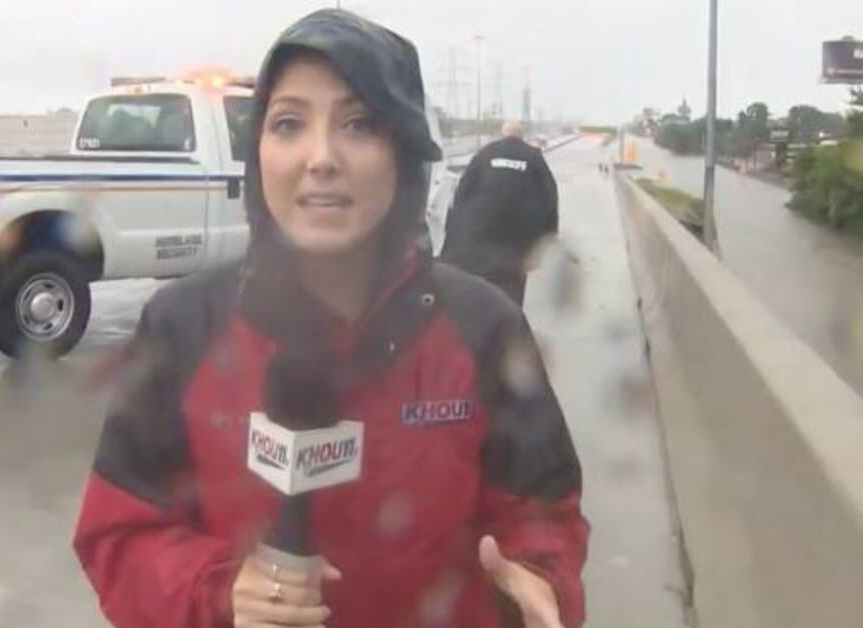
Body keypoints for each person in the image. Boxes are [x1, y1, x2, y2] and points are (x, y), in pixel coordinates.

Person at [74, 9, 588, 628]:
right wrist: (218, 593)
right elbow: (119, 534)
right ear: (257, 152)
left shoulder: (485, 327)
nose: (321, 157)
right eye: (288, 123)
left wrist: (537, 580)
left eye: (359, 124)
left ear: (403, 151)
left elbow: (544, 518)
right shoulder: (182, 326)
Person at [440, 121, 560, 305]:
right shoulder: (533, 157)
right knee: (509, 298)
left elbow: (461, 195)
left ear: (503, 134)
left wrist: (451, 241)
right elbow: (550, 199)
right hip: (515, 247)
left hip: (474, 243)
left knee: (469, 296)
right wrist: (545, 244)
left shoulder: (484, 154)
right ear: (522, 136)